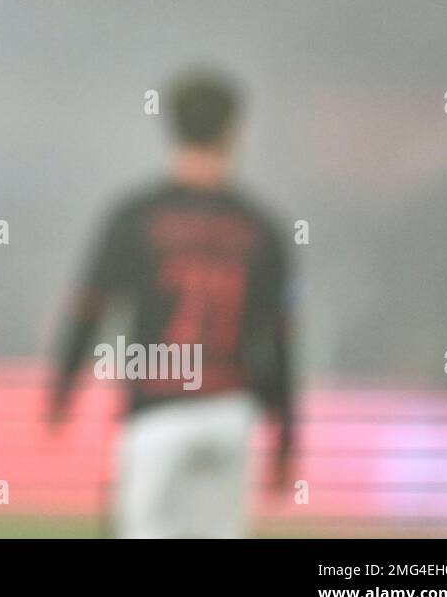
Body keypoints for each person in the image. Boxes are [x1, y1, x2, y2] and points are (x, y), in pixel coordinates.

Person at [48, 69, 294, 538]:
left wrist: (62, 390)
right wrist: (286, 435)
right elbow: (279, 336)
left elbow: (90, 307)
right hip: (231, 414)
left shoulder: (137, 216)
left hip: (156, 411)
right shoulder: (261, 227)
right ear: (234, 131)